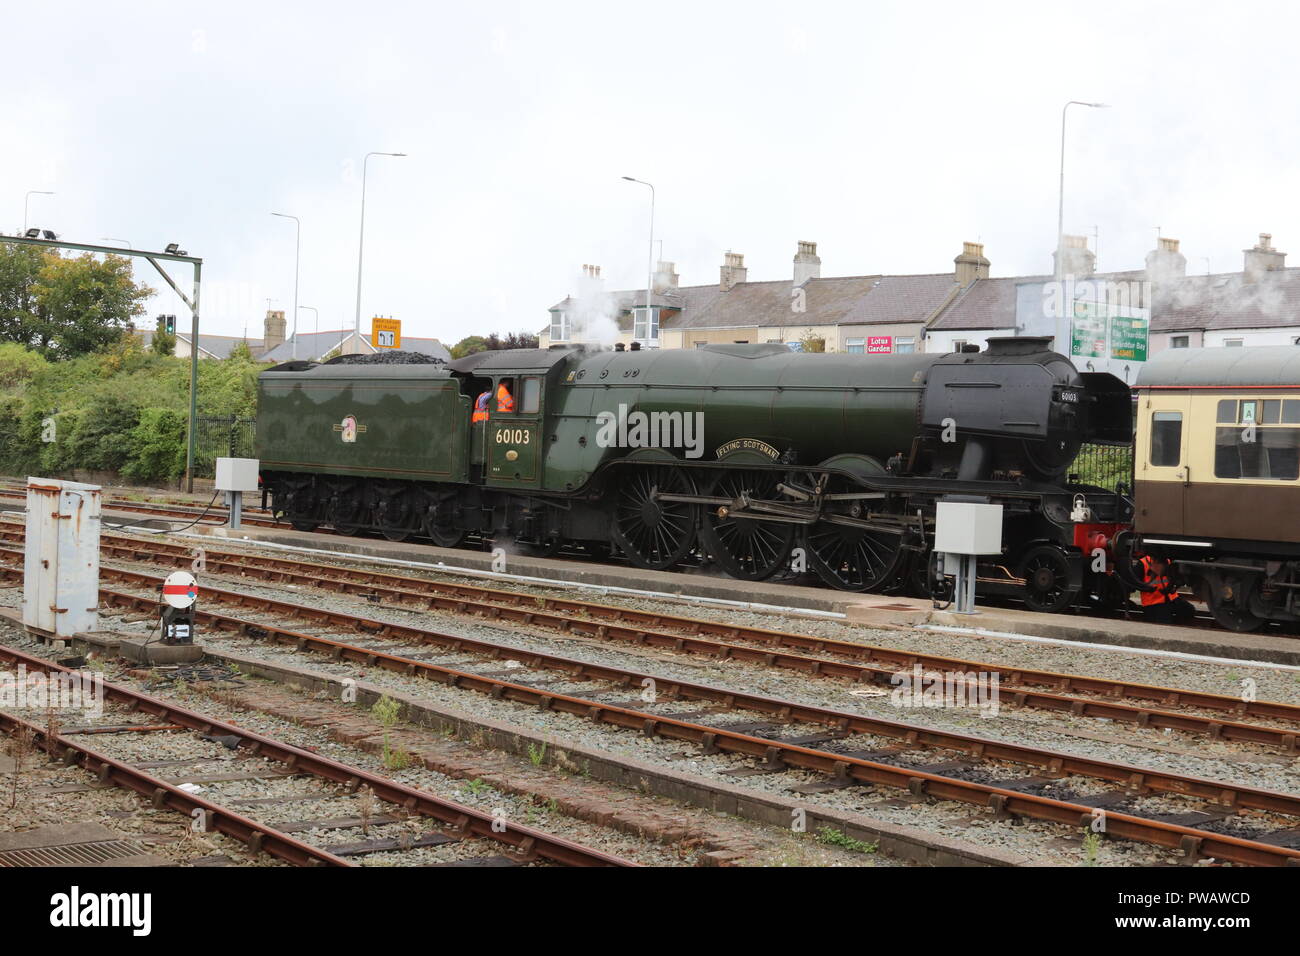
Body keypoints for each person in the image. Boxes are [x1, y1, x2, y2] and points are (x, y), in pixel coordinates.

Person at [1139, 553, 1194, 624]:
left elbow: (1172, 578)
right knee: (1165, 622)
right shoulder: (1142, 563)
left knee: (1190, 610)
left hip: (1171, 598)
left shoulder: (1167, 560)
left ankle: (1175, 624)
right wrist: (1147, 588)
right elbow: (1135, 584)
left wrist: (1174, 587)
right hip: (1154, 603)